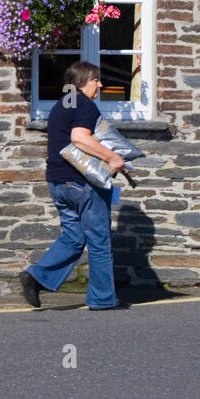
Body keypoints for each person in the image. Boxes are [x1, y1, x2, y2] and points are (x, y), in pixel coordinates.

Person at [20, 61, 125, 310]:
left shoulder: (60, 105)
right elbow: (79, 138)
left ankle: (36, 276)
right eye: (95, 80)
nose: (100, 85)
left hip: (57, 182)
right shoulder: (84, 104)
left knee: (74, 237)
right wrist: (112, 157)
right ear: (80, 83)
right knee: (99, 241)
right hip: (81, 183)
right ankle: (102, 299)